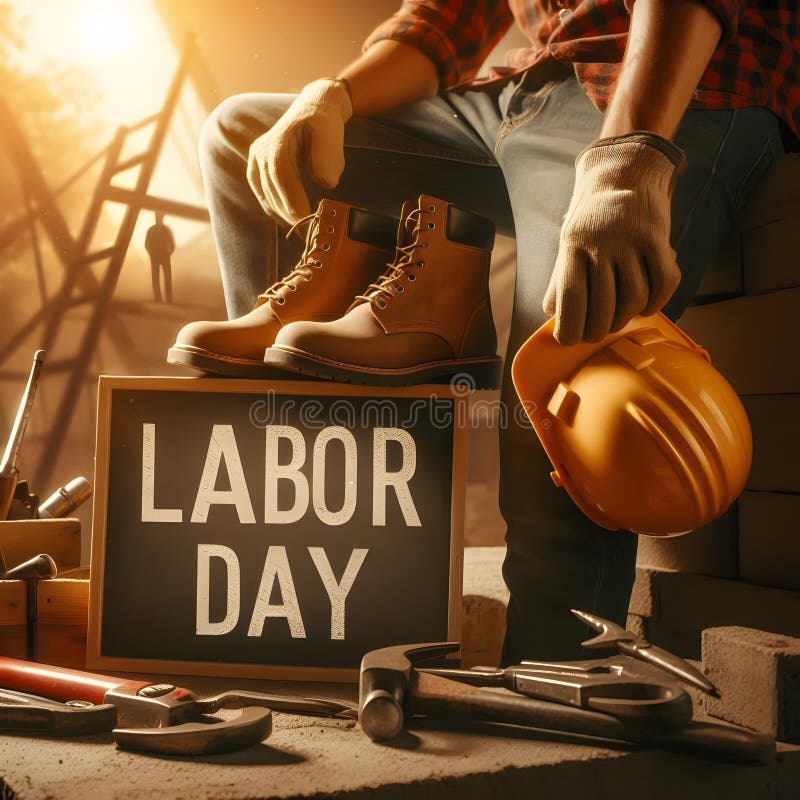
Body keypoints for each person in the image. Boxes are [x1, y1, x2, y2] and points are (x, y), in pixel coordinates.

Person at [179, 1, 798, 662]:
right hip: (522, 91)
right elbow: (446, 20)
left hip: (687, 92)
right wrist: (334, 95)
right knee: (241, 130)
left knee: (560, 400)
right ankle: (301, 498)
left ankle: (556, 695)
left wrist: (629, 158)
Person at [145, 212, 175, 303]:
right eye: (157, 216)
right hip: (158, 256)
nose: (158, 218)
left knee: (165, 277)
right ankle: (160, 299)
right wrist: (151, 253)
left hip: (162, 255)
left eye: (159, 216)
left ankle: (166, 299)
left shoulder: (161, 230)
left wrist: (169, 253)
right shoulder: (155, 230)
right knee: (158, 278)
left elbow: (172, 244)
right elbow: (147, 245)